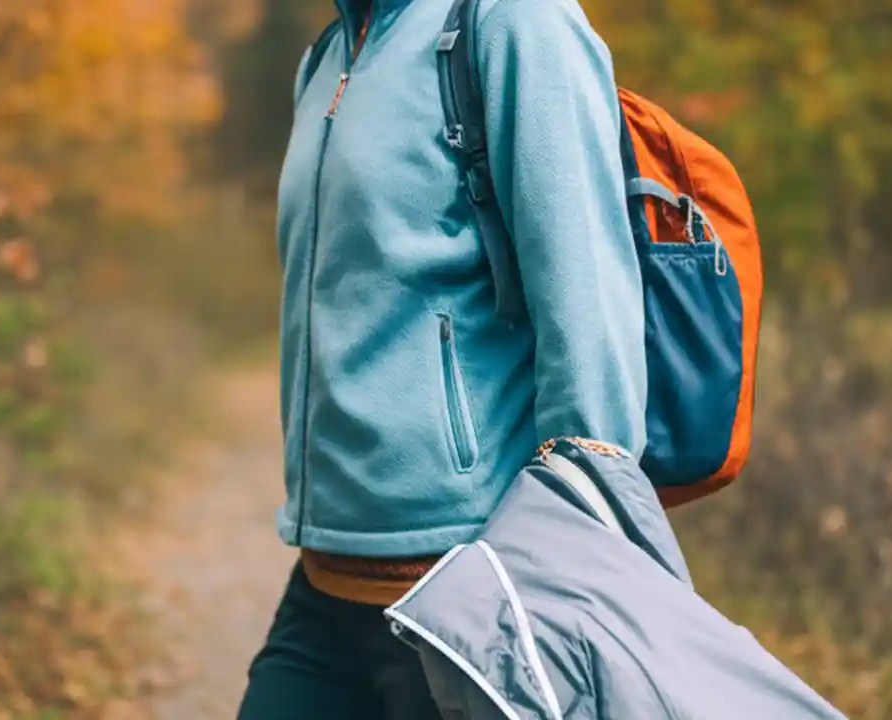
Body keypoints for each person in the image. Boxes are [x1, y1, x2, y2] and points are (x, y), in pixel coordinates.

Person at [237, 0, 646, 716]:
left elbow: (589, 320)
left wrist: (583, 570)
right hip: (327, 579)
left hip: (468, 588)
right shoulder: (329, 57)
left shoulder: (516, 25)